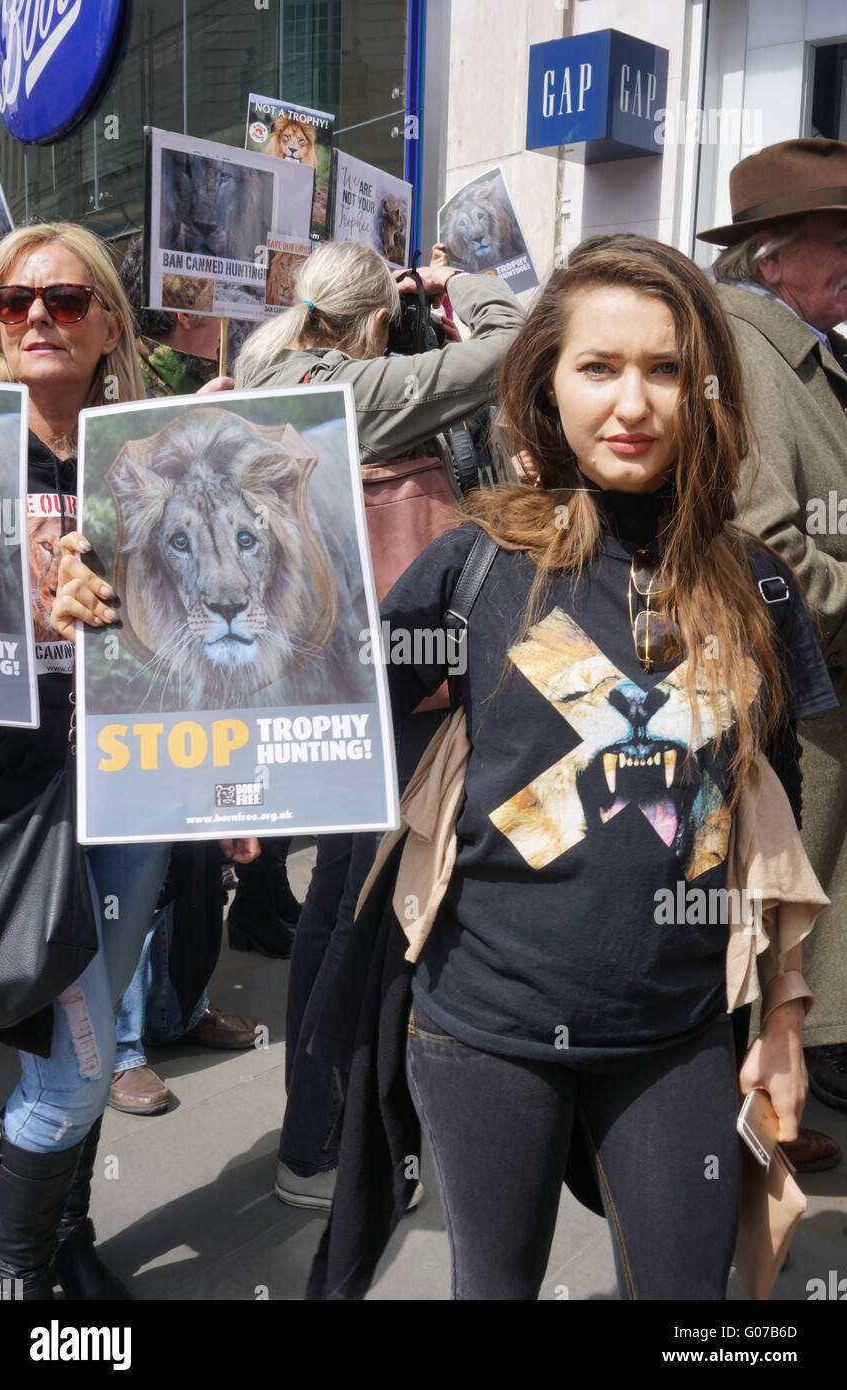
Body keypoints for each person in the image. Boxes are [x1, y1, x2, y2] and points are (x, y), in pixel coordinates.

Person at [313, 234, 836, 1299]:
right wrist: (118, 591)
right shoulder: (473, 563)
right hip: (482, 1028)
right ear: (546, 384)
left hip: (678, 1034)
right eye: (599, 367)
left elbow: (770, 830)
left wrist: (785, 1019)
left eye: (664, 369)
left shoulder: (759, 587)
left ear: (708, 390)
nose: (631, 402)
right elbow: (310, 698)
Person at [0, 222, 258, 1300]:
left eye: (63, 298)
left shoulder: (153, 455)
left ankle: (68, 1238)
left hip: (135, 780)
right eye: (12, 301)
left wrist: (238, 775)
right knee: (77, 1064)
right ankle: (17, 1280)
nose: (37, 316)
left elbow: (216, 616)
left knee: (78, 1060)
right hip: (14, 798)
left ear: (107, 322)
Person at [229, 238, 525, 1207]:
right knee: (368, 916)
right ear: (366, 314)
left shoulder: (263, 367)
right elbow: (518, 337)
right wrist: (453, 283)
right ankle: (324, 1146)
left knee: (337, 907)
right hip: (393, 685)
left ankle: (326, 1132)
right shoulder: (365, 383)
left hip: (315, 672)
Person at [698, 138, 847, 1141]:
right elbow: (764, 540)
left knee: (805, 911)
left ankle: (787, 1097)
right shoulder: (746, 353)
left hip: (820, 689)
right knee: (774, 909)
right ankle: (755, 1128)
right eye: (840, 241)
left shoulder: (807, 348)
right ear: (771, 260)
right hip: (794, 695)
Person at [107, 235, 262, 1119]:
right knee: (138, 869)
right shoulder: (102, 402)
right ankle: (124, 1042)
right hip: (125, 676)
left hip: (201, 668)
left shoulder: (185, 386)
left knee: (199, 862)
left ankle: (181, 1007)